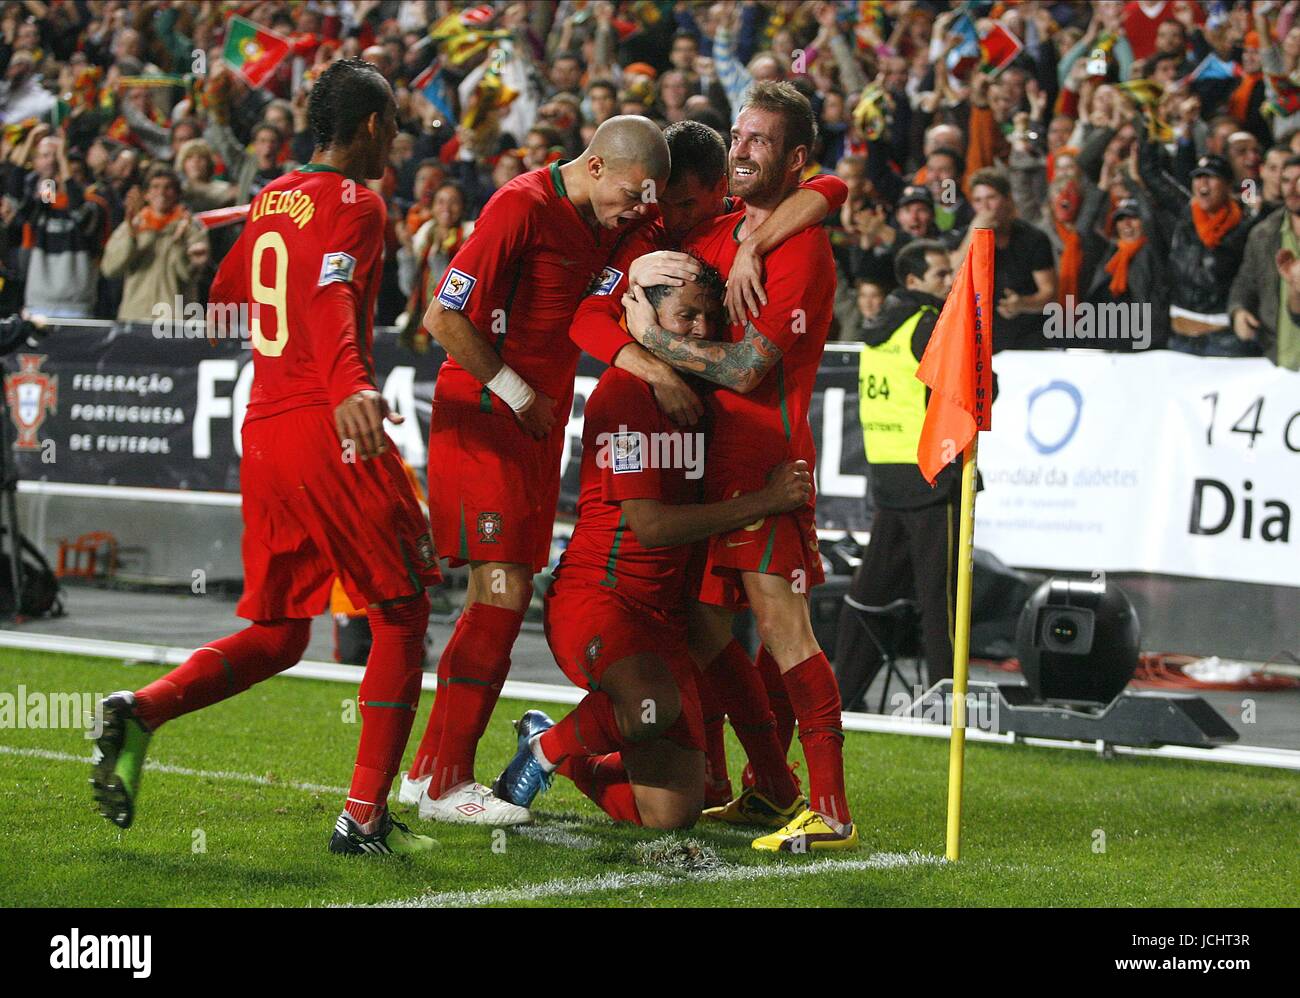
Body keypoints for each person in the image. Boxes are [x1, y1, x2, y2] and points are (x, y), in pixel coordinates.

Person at [89, 59, 441, 857]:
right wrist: (350, 383)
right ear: (372, 126)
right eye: (393, 122)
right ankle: (364, 819)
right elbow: (329, 293)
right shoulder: (358, 203)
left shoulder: (272, 197)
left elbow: (225, 300)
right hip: (325, 422)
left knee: (281, 632)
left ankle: (144, 709)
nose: (396, 136)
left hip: (266, 430)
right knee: (403, 609)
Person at [404, 115, 677, 827]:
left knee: (495, 594)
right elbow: (442, 317)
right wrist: (519, 393)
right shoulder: (520, 206)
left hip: (534, 422)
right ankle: (446, 784)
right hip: (488, 411)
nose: (638, 209)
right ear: (594, 166)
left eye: (647, 198)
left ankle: (428, 772)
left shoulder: (610, 222)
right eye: (631, 194)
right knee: (503, 591)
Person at [494, 264, 812, 829]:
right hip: (601, 600)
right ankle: (546, 751)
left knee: (670, 817)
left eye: (709, 317)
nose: (700, 329)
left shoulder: (706, 391)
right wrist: (763, 502)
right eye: (685, 315)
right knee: (651, 707)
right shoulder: (624, 396)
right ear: (645, 316)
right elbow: (652, 527)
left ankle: (571, 754)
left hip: (667, 618)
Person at [624, 81, 856, 852]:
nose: (742, 149)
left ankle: (831, 811)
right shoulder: (724, 232)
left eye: (760, 139)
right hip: (713, 469)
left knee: (786, 630)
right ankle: (761, 786)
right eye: (737, 136)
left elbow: (749, 368)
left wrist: (652, 342)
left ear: (794, 157)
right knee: (704, 632)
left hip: (765, 465)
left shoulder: (803, 250)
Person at [833, 240, 960, 711]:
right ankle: (949, 705)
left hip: (888, 475)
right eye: (941, 274)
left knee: (870, 596)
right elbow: (969, 393)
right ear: (913, 281)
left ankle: (842, 695)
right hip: (932, 476)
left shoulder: (878, 326)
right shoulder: (930, 324)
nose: (950, 282)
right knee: (942, 601)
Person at [951, 167, 1057, 351]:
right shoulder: (962, 238)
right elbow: (951, 279)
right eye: (978, 200)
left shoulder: (1033, 238)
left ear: (1007, 199)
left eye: (991, 198)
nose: (985, 207)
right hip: (979, 337)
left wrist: (1022, 303)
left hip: (1029, 337)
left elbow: (1049, 294)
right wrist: (973, 235)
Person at [99, 164, 210, 322]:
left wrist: (179, 243)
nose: (161, 193)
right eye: (155, 187)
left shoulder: (191, 228)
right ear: (146, 194)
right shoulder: (133, 225)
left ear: (177, 194)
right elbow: (110, 269)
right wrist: (131, 238)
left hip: (176, 320)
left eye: (168, 187)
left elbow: (187, 275)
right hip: (136, 317)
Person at [1228, 154, 1300, 370]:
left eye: (1299, 181)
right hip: (1277, 359)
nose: (1292, 189)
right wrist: (1238, 310)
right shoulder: (1263, 233)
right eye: (1286, 181)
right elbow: (1245, 281)